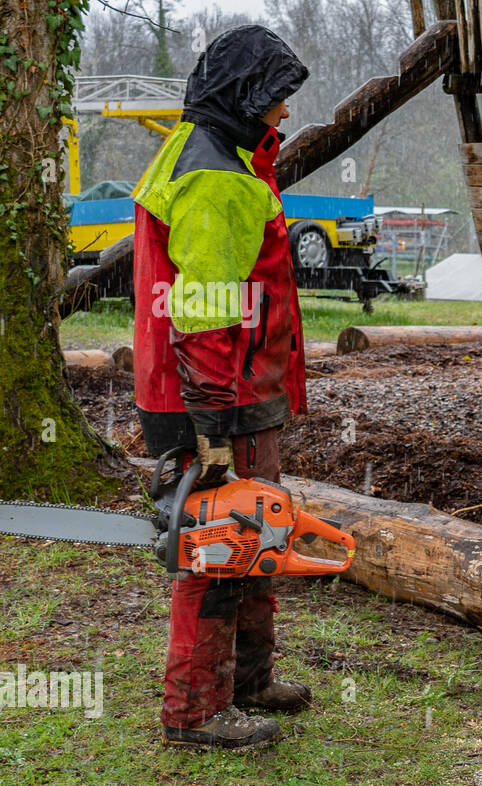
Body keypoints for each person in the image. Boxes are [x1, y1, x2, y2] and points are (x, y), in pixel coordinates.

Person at [132, 25, 312, 749]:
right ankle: (195, 709)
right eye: (276, 100)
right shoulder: (217, 179)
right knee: (219, 542)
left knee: (257, 529)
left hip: (237, 387)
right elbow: (206, 314)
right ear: (245, 97)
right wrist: (208, 431)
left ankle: (247, 678)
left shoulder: (210, 151)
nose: (285, 115)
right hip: (218, 396)